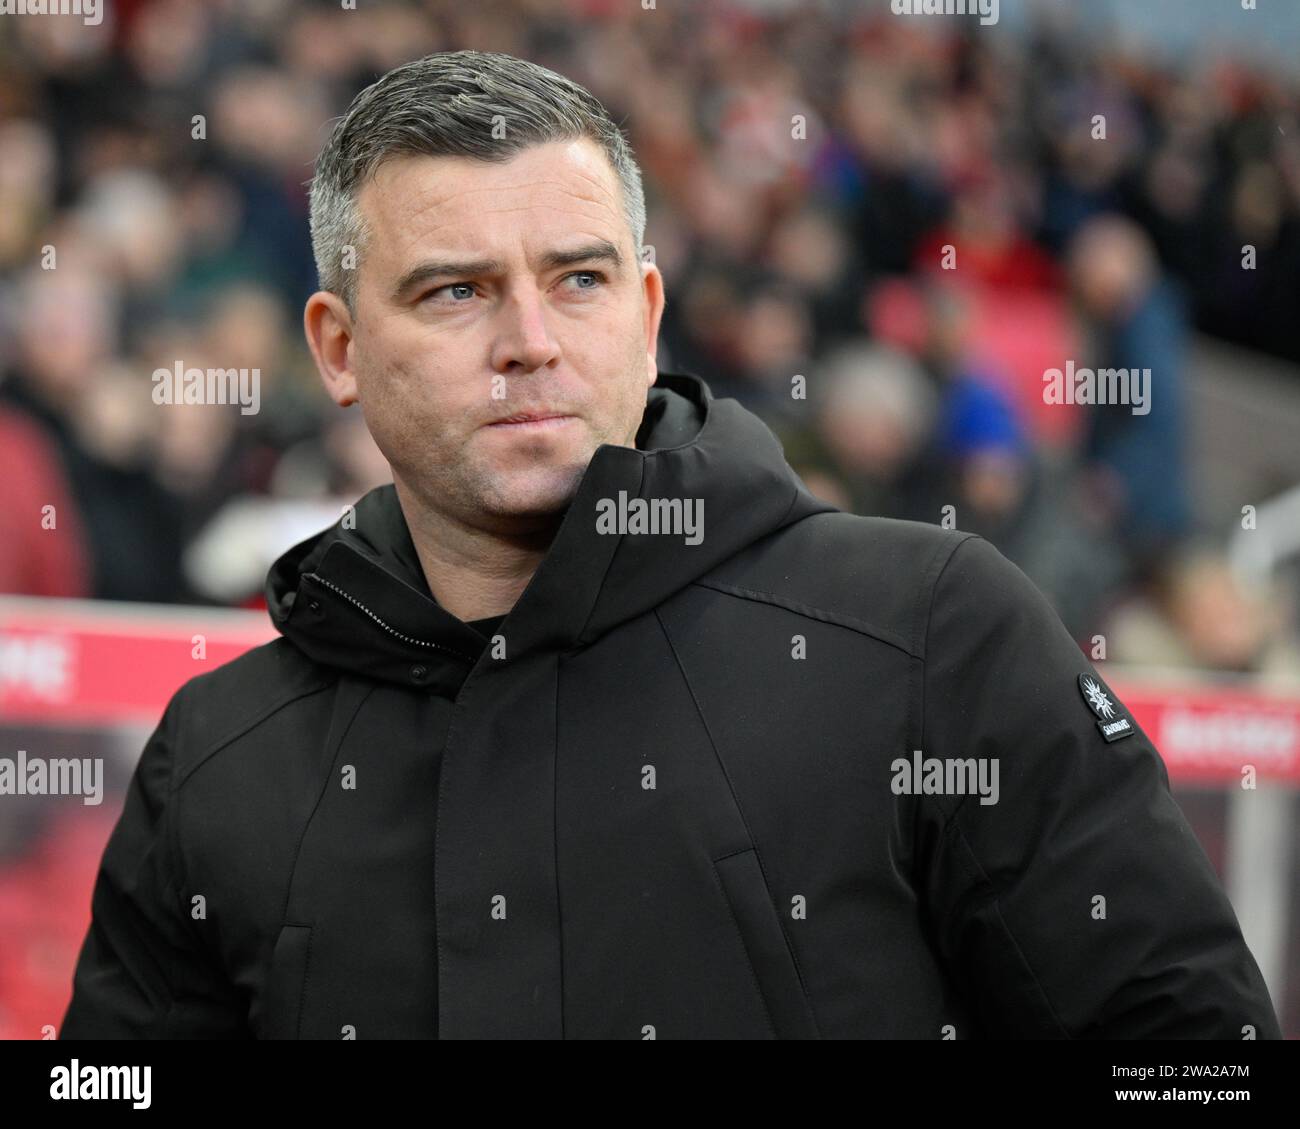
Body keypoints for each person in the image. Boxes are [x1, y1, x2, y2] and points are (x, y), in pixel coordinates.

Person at [61, 50, 1280, 1040]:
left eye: (578, 279)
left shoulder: (932, 634)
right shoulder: (218, 755)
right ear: (334, 347)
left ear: (647, 314)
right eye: (455, 291)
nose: (531, 339)